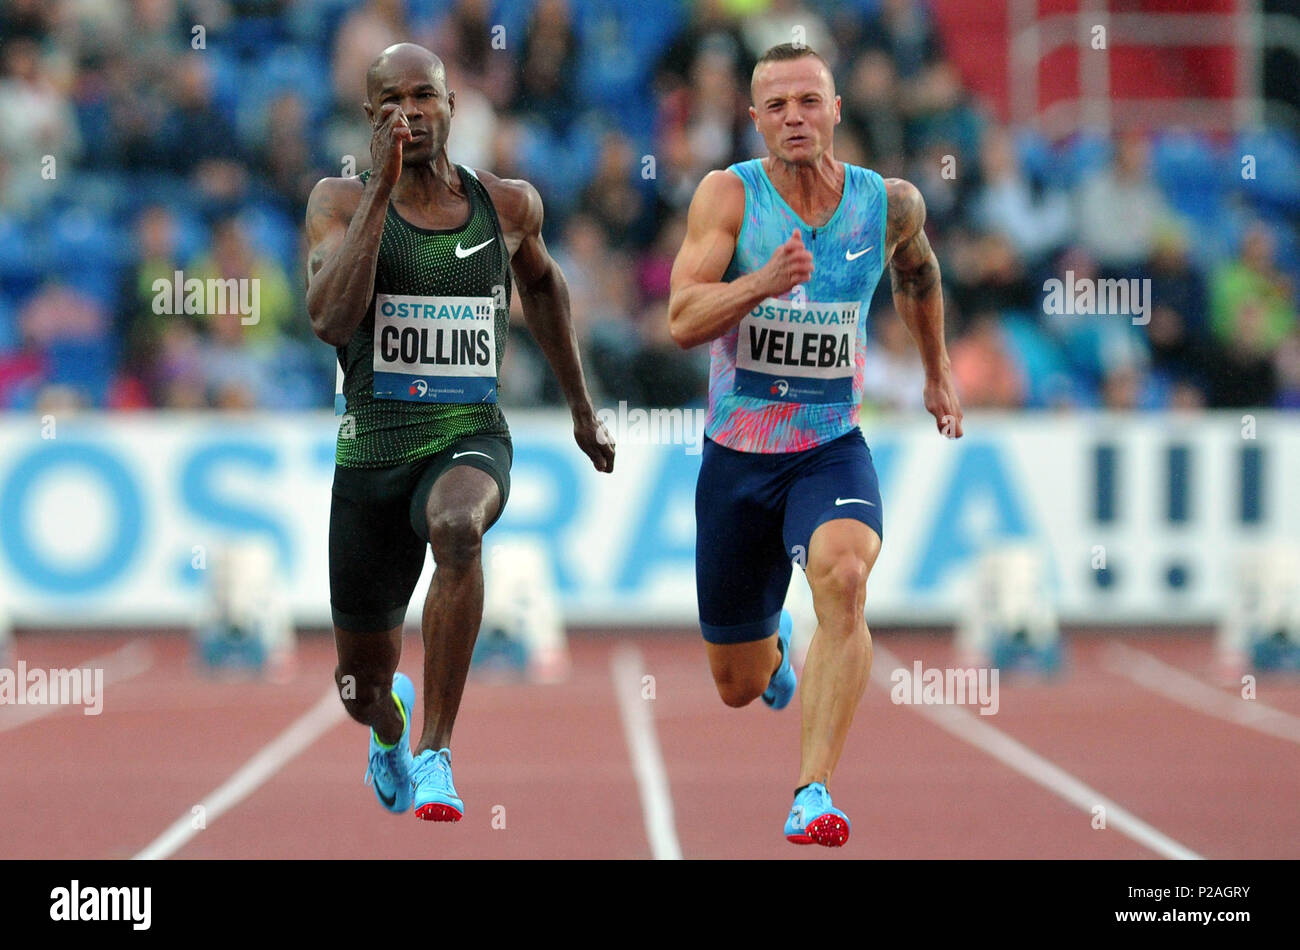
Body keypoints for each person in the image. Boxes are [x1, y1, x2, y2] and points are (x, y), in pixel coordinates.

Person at [305, 43, 613, 822]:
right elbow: (331, 319)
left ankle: (438, 752)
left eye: (426, 96)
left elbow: (544, 288)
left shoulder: (507, 205)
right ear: (370, 117)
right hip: (373, 453)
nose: (412, 112)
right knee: (358, 689)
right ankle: (393, 725)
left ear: (453, 104)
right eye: (392, 102)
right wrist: (380, 188)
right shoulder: (337, 202)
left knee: (458, 526)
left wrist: (582, 408)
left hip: (467, 433)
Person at [667, 43, 963, 847]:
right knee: (737, 683)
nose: (794, 116)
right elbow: (682, 321)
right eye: (777, 105)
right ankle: (774, 649)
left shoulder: (889, 204)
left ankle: (813, 792)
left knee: (844, 574)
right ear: (755, 119)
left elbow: (920, 275)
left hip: (830, 446)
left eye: (809, 101)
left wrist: (936, 372)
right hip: (737, 460)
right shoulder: (729, 197)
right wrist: (761, 282)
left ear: (835, 110)